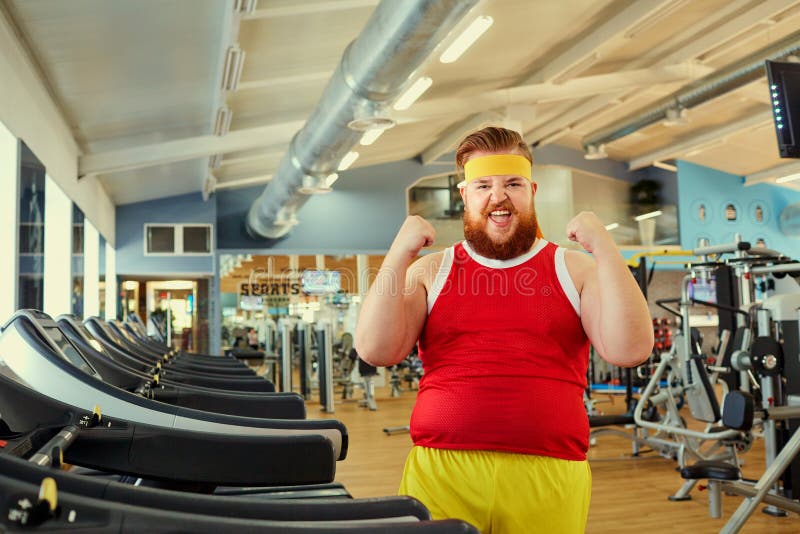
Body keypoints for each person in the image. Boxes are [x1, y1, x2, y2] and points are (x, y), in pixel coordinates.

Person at [354, 126, 653, 533]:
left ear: (531, 191)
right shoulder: (431, 269)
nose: (498, 196)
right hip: (442, 471)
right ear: (465, 195)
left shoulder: (574, 268)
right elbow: (375, 350)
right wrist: (399, 252)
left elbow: (630, 349)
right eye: (483, 185)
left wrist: (604, 247)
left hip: (549, 474)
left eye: (512, 183)